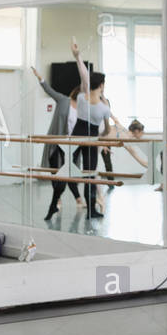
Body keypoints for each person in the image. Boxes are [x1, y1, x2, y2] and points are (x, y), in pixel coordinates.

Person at [31, 66, 82, 220]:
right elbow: (49, 90)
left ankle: (60, 201)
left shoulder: (83, 110)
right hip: (56, 143)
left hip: (71, 147)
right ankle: (58, 200)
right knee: (56, 173)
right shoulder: (63, 100)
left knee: (68, 175)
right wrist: (40, 78)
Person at [70, 38, 113, 219]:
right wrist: (101, 138)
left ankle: (58, 202)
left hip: (76, 135)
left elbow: (83, 78)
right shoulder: (104, 108)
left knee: (69, 168)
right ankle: (91, 209)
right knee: (90, 174)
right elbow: (107, 130)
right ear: (101, 85)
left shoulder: (80, 98)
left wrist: (78, 57)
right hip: (92, 137)